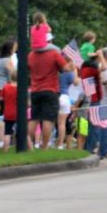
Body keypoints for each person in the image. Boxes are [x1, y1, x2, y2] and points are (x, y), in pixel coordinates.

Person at [27, 22, 72, 150]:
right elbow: (66, 68)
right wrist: (70, 63)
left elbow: (27, 69)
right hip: (50, 90)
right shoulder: (53, 54)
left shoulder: (31, 55)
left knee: (34, 118)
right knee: (48, 119)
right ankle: (45, 146)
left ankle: (30, 145)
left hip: (35, 90)